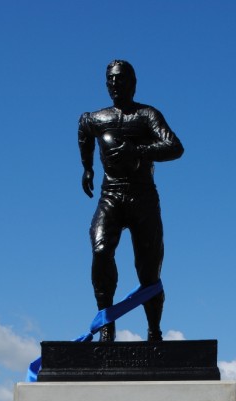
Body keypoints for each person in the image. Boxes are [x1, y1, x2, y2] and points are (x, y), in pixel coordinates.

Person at [78, 60, 184, 342]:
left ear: (133, 84)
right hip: (111, 194)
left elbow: (174, 147)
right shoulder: (98, 118)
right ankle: (106, 323)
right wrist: (87, 167)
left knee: (148, 268)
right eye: (110, 80)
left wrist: (137, 151)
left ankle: (154, 332)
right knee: (101, 251)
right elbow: (84, 129)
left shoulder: (147, 115)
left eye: (121, 80)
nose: (115, 85)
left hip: (143, 196)